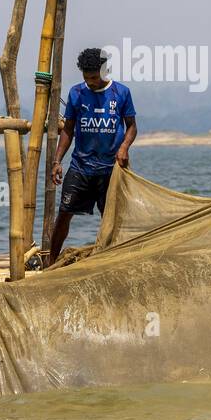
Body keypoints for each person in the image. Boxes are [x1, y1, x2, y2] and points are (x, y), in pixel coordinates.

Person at [49, 47, 137, 264]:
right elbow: (68, 130)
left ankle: (112, 260)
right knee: (64, 214)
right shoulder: (77, 93)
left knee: (111, 218)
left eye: (94, 77)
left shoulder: (121, 93)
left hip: (110, 169)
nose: (90, 81)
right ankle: (50, 262)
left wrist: (124, 147)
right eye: (86, 78)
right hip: (81, 167)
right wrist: (57, 161)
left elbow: (132, 127)